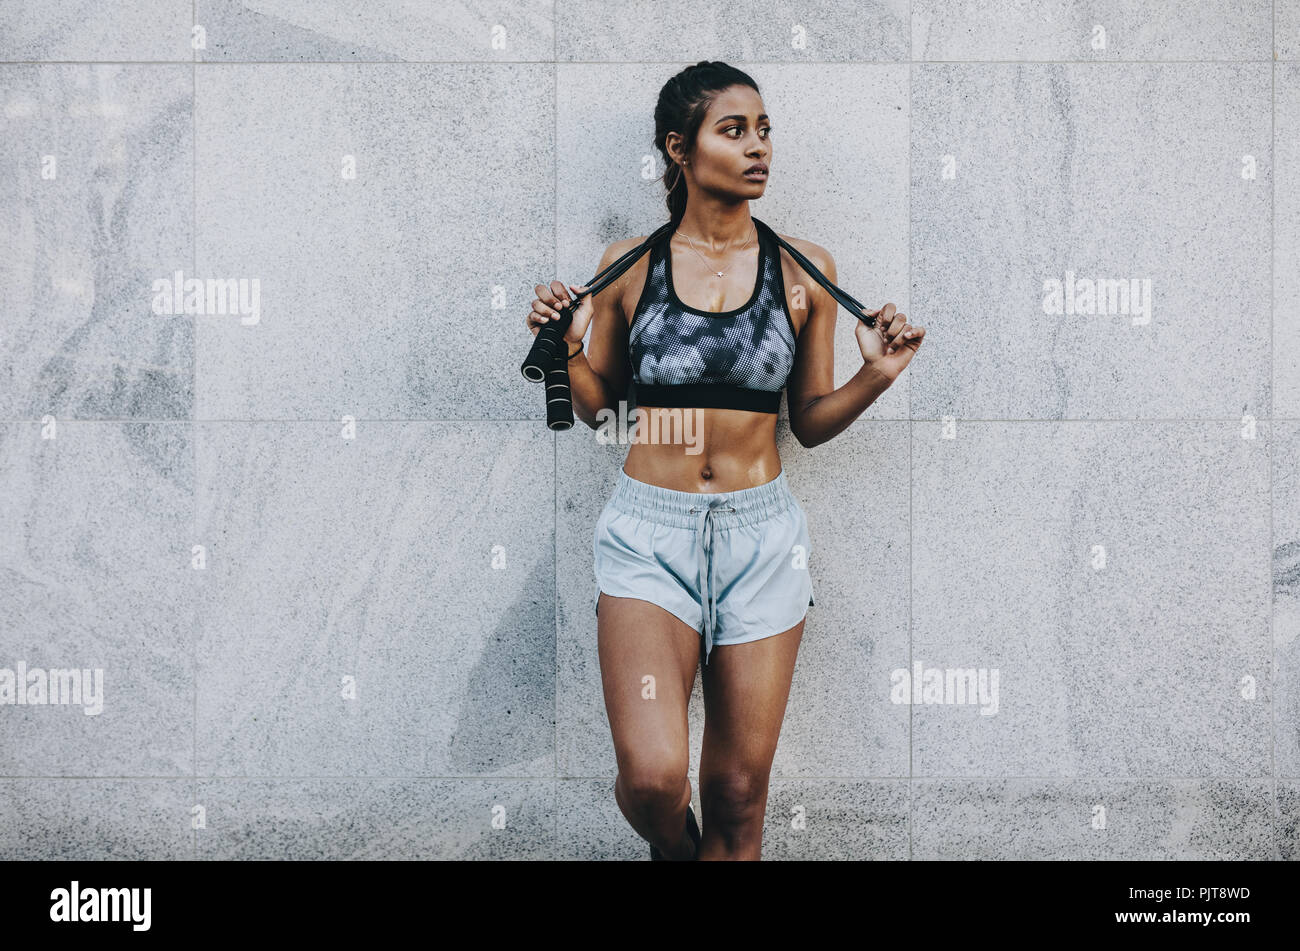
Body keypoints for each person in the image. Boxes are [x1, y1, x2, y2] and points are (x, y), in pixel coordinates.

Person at [525, 61, 924, 860]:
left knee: (738, 798)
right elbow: (598, 404)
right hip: (649, 535)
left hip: (762, 539)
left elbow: (806, 422)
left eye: (765, 130)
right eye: (733, 130)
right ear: (680, 148)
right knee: (652, 779)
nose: (758, 148)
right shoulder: (630, 263)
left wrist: (876, 375)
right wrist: (566, 352)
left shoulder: (805, 269)